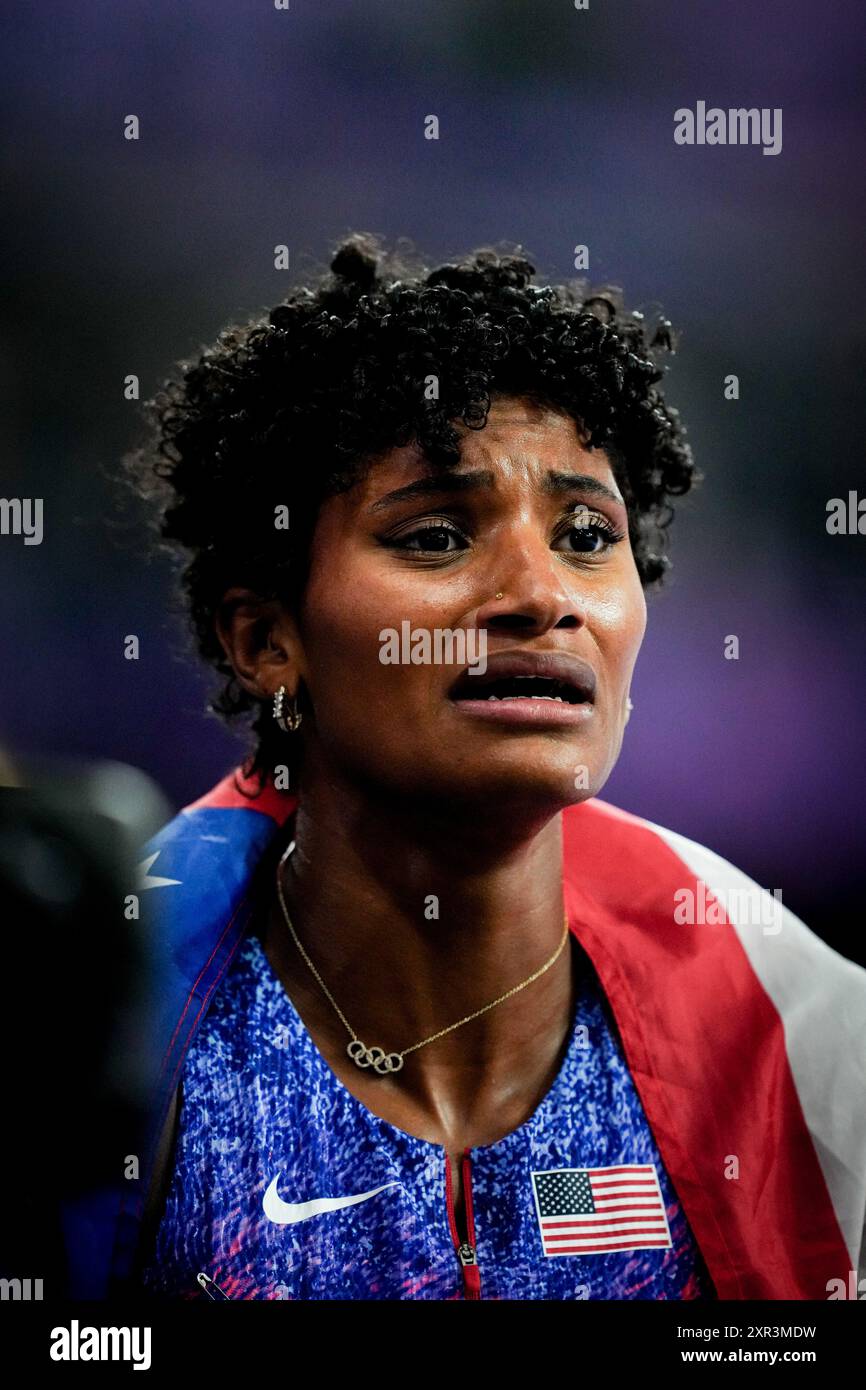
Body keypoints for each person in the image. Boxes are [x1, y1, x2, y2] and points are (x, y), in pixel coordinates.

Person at [84, 235, 865, 1301]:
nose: (542, 595)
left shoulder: (814, 1051)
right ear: (268, 639)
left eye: (587, 532)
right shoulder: (83, 1049)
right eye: (438, 535)